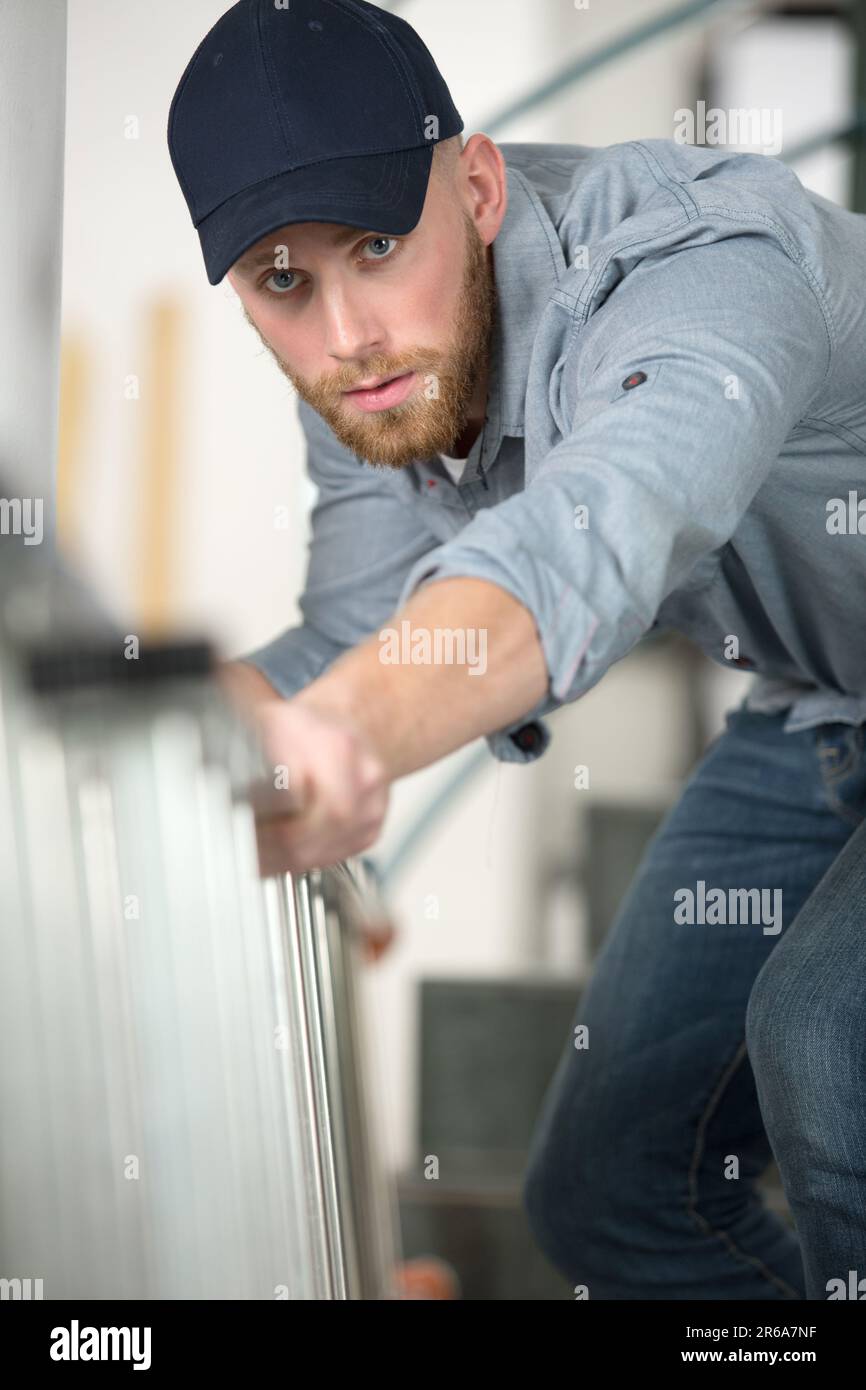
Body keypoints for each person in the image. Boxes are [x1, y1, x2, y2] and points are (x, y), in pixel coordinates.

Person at [168, 0, 866, 1300]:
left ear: (477, 185)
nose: (344, 334)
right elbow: (356, 630)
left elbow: (588, 538)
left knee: (825, 1035)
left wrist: (349, 733)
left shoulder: (703, 265)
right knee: (606, 1192)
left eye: (378, 243)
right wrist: (156, 744)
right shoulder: (382, 374)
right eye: (282, 281)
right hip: (825, 696)